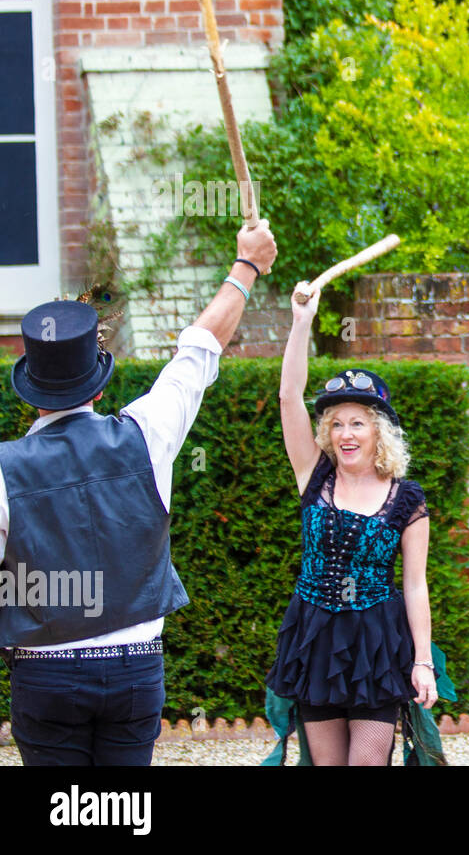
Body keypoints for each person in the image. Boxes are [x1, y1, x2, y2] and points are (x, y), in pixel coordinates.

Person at [0, 220, 278, 765]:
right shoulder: (147, 433)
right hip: (133, 668)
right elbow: (199, 349)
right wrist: (246, 266)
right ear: (100, 383)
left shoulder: (4, 470)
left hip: (45, 674)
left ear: (31, 392)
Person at [264, 284, 439, 765]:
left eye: (358, 422)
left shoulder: (407, 500)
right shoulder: (313, 475)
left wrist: (423, 662)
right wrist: (302, 322)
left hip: (377, 641)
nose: (345, 433)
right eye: (337, 423)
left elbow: (416, 585)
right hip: (314, 633)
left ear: (378, 431)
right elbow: (287, 396)